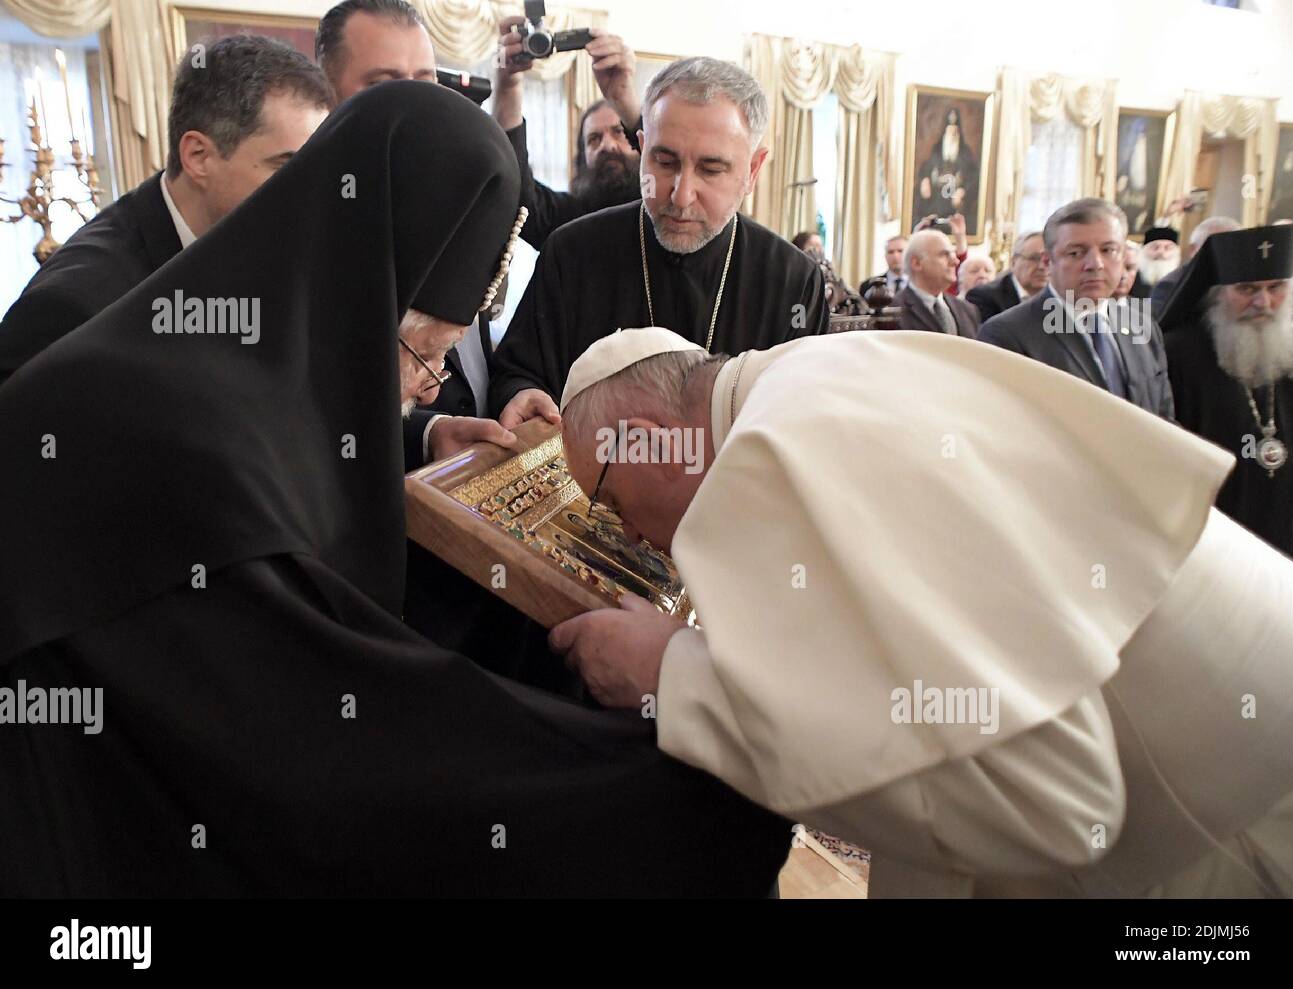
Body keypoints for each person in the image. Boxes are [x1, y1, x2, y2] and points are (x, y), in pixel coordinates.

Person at [0, 82, 790, 897]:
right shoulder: (164, 424)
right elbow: (318, 745)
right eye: (421, 355)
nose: (428, 385)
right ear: (357, 301)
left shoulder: (263, 358)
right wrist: (649, 782)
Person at [548, 325, 1293, 898]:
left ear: (645, 438)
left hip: (1232, 824)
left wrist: (670, 674)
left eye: (612, 501)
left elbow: (1052, 804)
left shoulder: (774, 449)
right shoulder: (802, 382)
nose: (634, 537)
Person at [488, 56, 828, 429]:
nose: (681, 197)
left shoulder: (794, 281)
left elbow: (806, 422)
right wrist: (523, 394)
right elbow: (516, 374)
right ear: (642, 147)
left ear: (752, 170)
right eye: (665, 162)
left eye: (711, 170)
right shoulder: (572, 253)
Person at [0, 35, 330, 386]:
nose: (312, 193)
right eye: (288, 168)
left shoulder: (274, 253)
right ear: (198, 156)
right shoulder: (76, 307)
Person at [316, 0, 507, 437]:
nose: (419, 108)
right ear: (327, 98)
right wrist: (426, 433)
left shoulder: (461, 201)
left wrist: (512, 392)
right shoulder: (310, 234)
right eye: (385, 86)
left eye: (426, 83)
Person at [1165, 224, 1293, 559]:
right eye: (1247, 288)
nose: (1263, 302)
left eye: (1276, 288)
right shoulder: (1177, 354)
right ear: (1217, 292)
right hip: (1212, 532)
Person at [978, 198, 1174, 419]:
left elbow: (1163, 417)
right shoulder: (1008, 335)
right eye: (1076, 253)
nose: (1095, 264)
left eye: (1108, 250)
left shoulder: (1143, 327)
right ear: (1047, 262)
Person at [493, 16, 643, 249]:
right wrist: (508, 85)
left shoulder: (664, 212)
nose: (607, 145)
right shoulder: (567, 219)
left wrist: (624, 97)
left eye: (619, 132)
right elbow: (516, 194)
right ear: (582, 156)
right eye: (594, 139)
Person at [1151, 215, 1242, 320]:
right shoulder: (1170, 286)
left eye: (1234, 248)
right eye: (1220, 247)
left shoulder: (1246, 283)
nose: (1227, 255)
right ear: (1193, 250)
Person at [894, 230, 981, 337]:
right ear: (916, 263)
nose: (955, 261)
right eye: (945, 254)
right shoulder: (893, 312)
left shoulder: (968, 310)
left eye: (953, 254)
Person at [914, 107, 978, 231]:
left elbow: (975, 179)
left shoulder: (966, 154)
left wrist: (964, 192)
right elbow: (925, 170)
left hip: (956, 208)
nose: (952, 135)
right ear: (944, 133)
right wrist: (924, 180)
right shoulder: (936, 151)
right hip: (935, 206)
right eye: (949, 132)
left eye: (955, 132)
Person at [965, 231, 1048, 324]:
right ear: (1013, 262)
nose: (1042, 267)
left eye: (1048, 260)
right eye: (1034, 258)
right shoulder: (984, 297)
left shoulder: (1059, 298)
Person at [861, 233, 908, 298]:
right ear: (885, 256)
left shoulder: (922, 286)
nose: (895, 256)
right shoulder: (869, 286)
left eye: (900, 251)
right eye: (891, 252)